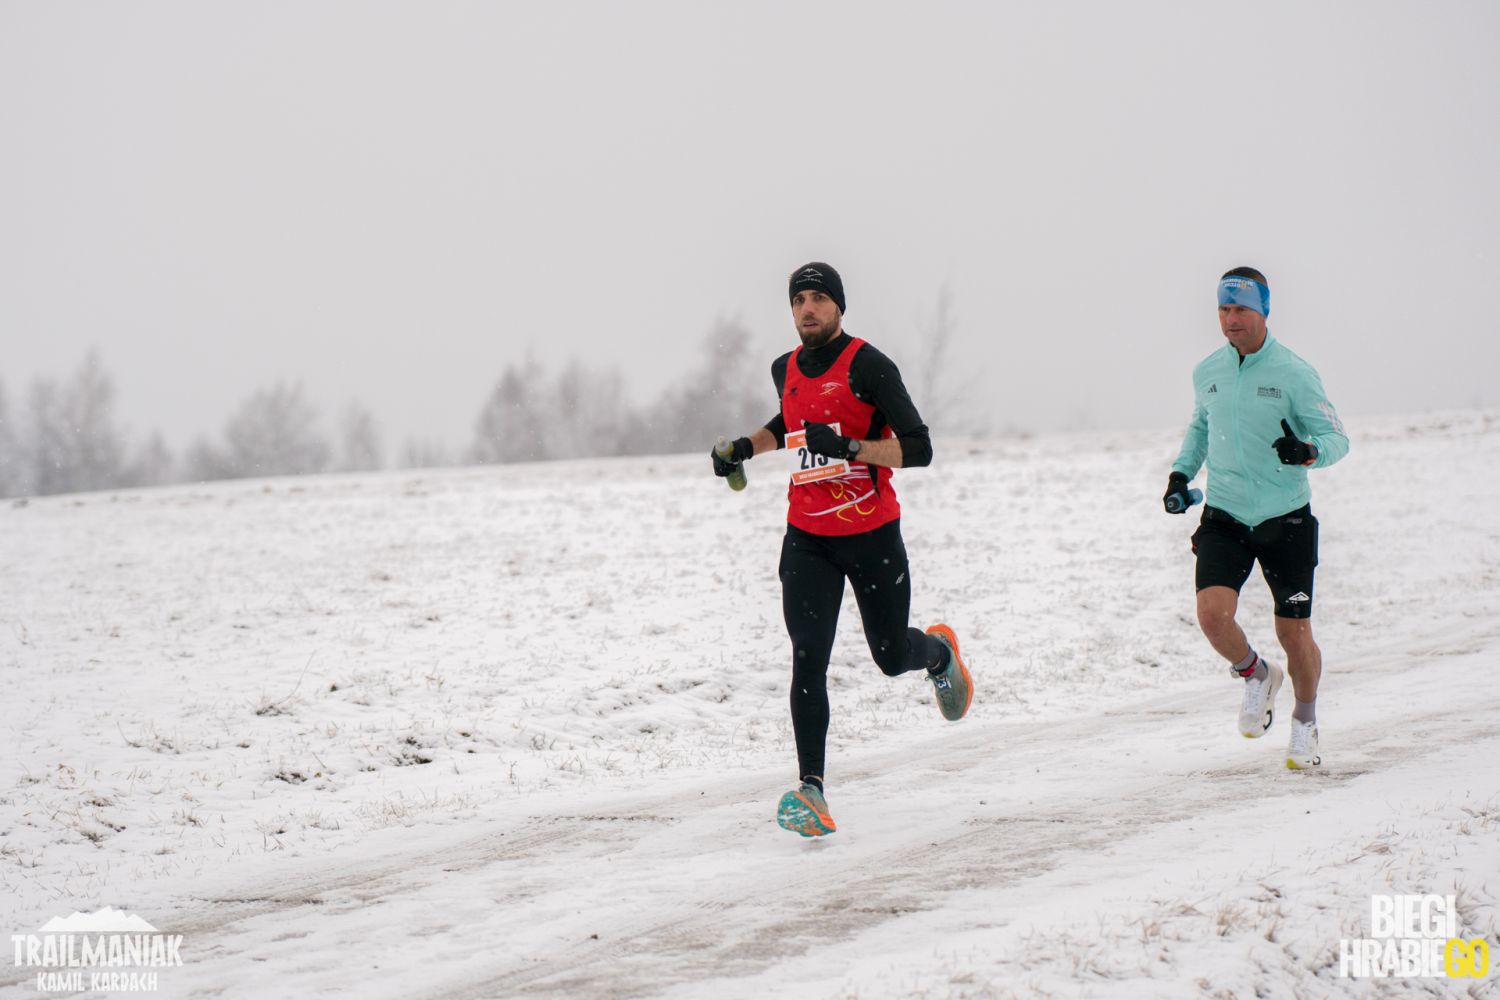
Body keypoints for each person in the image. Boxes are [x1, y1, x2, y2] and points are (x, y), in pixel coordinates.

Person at [711, 262, 973, 837]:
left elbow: (920, 448)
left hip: (871, 536)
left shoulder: (870, 366)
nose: (807, 308)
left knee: (890, 656)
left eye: (818, 298)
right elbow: (790, 423)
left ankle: (937, 655)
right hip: (807, 538)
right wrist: (744, 448)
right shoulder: (784, 368)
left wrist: (851, 447)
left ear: (838, 306)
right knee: (808, 655)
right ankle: (812, 790)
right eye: (798, 300)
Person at [1164, 266, 1349, 770]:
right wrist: (1181, 474)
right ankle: (1256, 674)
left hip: (1284, 519)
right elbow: (1200, 428)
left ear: (1264, 311)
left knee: (1294, 634)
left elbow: (1337, 438)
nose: (1231, 319)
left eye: (1242, 309)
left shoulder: (1294, 373)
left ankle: (1305, 722)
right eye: (1224, 309)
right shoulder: (1208, 371)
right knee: (1212, 616)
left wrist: (1308, 451)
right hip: (1224, 514)